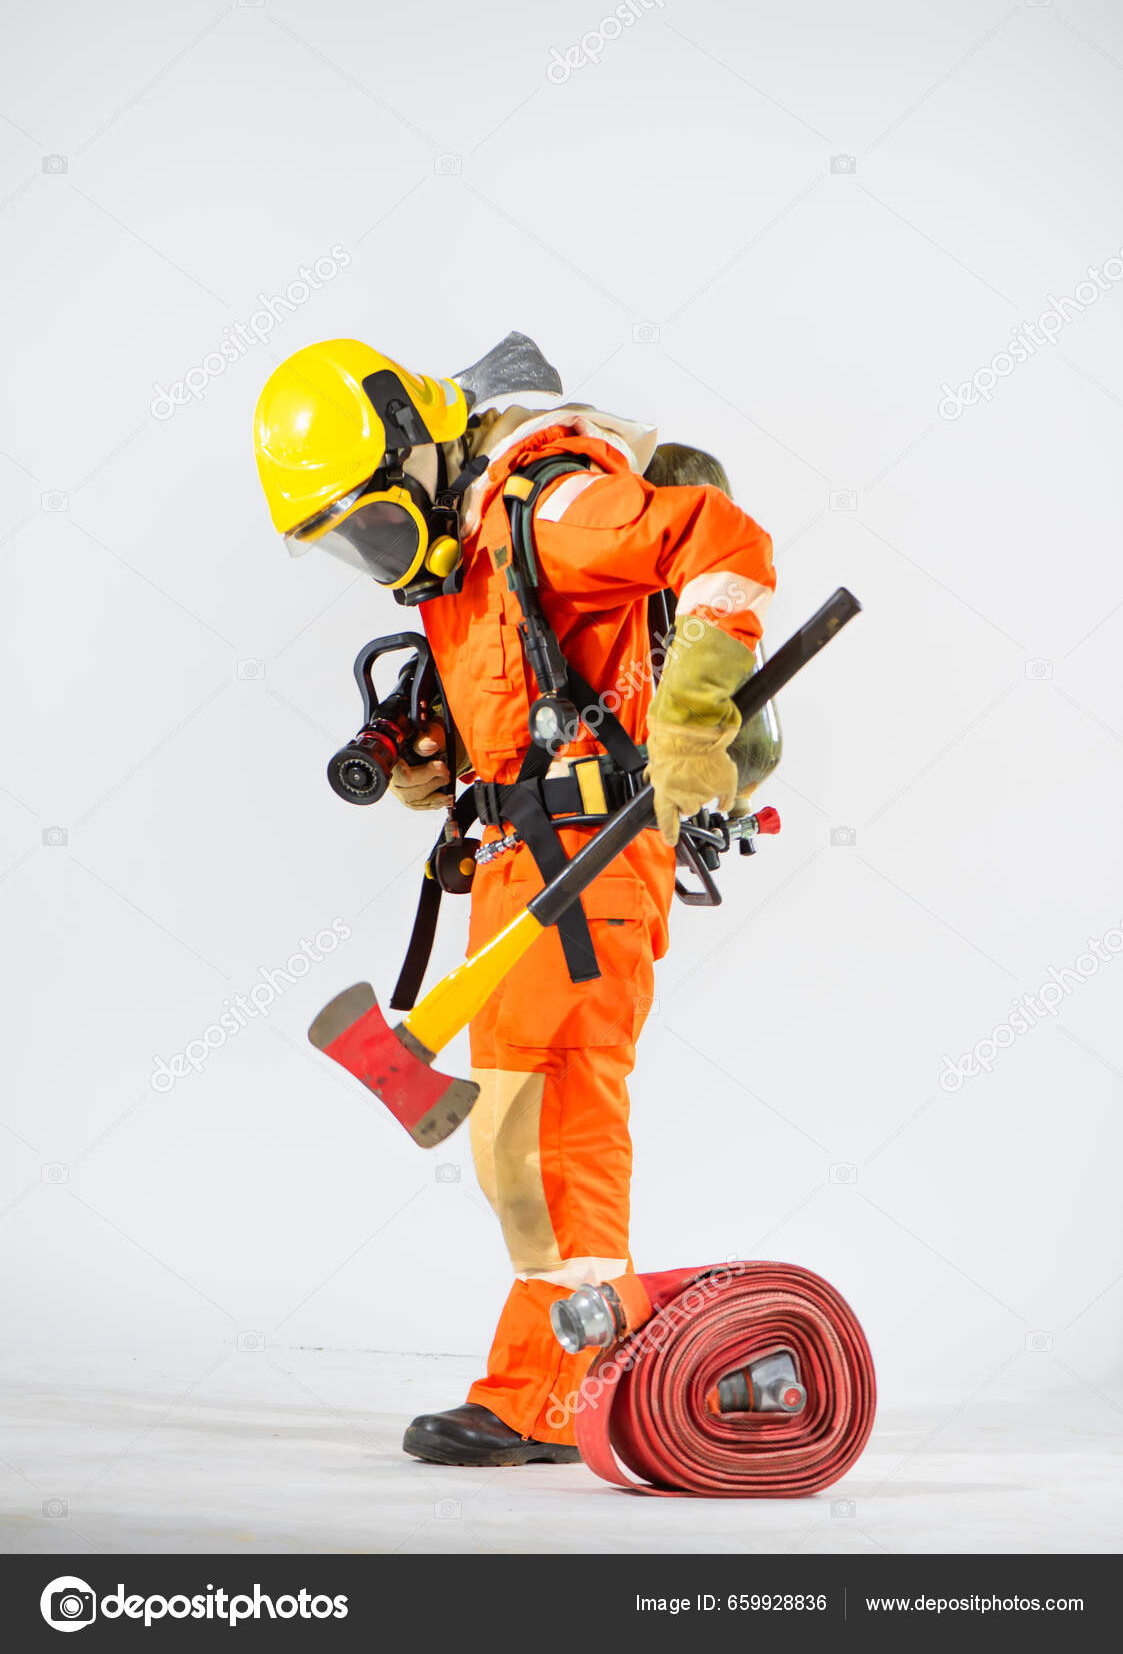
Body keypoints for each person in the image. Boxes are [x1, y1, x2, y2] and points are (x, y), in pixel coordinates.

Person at [254, 334, 776, 1465]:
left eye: (379, 520)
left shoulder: (552, 506)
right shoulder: (467, 546)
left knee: (547, 1122)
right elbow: (511, 695)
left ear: (423, 454)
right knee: (506, 1135)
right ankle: (581, 1362)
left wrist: (691, 719)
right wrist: (434, 764)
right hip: (518, 856)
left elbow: (722, 544)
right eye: (353, 542)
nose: (380, 551)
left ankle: (552, 1389)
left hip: (593, 853)